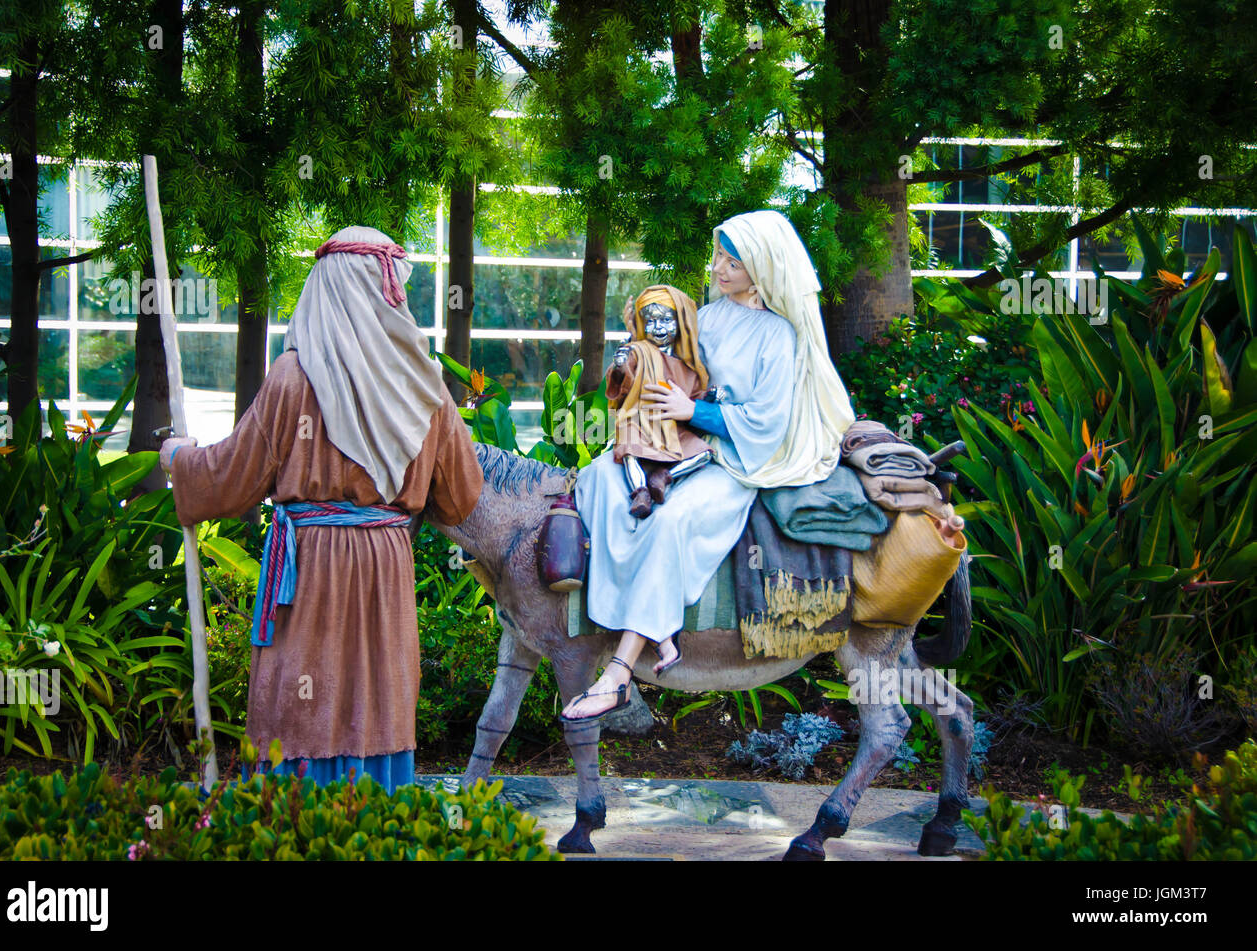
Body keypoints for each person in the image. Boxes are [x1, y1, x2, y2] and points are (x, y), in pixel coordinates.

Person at [159, 226, 483, 789]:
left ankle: (293, 827)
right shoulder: (424, 385)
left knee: (301, 693)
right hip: (383, 567)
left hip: (309, 570)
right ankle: (376, 825)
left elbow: (232, 480)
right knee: (375, 696)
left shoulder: (292, 377)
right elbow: (460, 497)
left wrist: (180, 460)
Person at [561, 210, 857, 720]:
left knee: (671, 519)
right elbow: (668, 361)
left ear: (761, 268)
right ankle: (616, 613)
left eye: (732, 261)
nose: (718, 268)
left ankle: (621, 669)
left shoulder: (777, 336)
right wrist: (634, 349)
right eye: (717, 255)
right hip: (678, 446)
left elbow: (766, 425)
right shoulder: (710, 315)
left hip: (733, 462)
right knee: (598, 480)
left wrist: (693, 411)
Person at [607, 285, 713, 520]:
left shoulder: (687, 365)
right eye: (651, 321)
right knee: (629, 447)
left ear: (680, 322)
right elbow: (619, 381)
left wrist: (710, 397)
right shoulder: (637, 352)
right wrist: (620, 363)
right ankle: (641, 492)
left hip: (672, 429)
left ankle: (664, 476)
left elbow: (694, 397)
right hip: (639, 421)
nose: (659, 328)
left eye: (666, 320)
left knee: (704, 454)